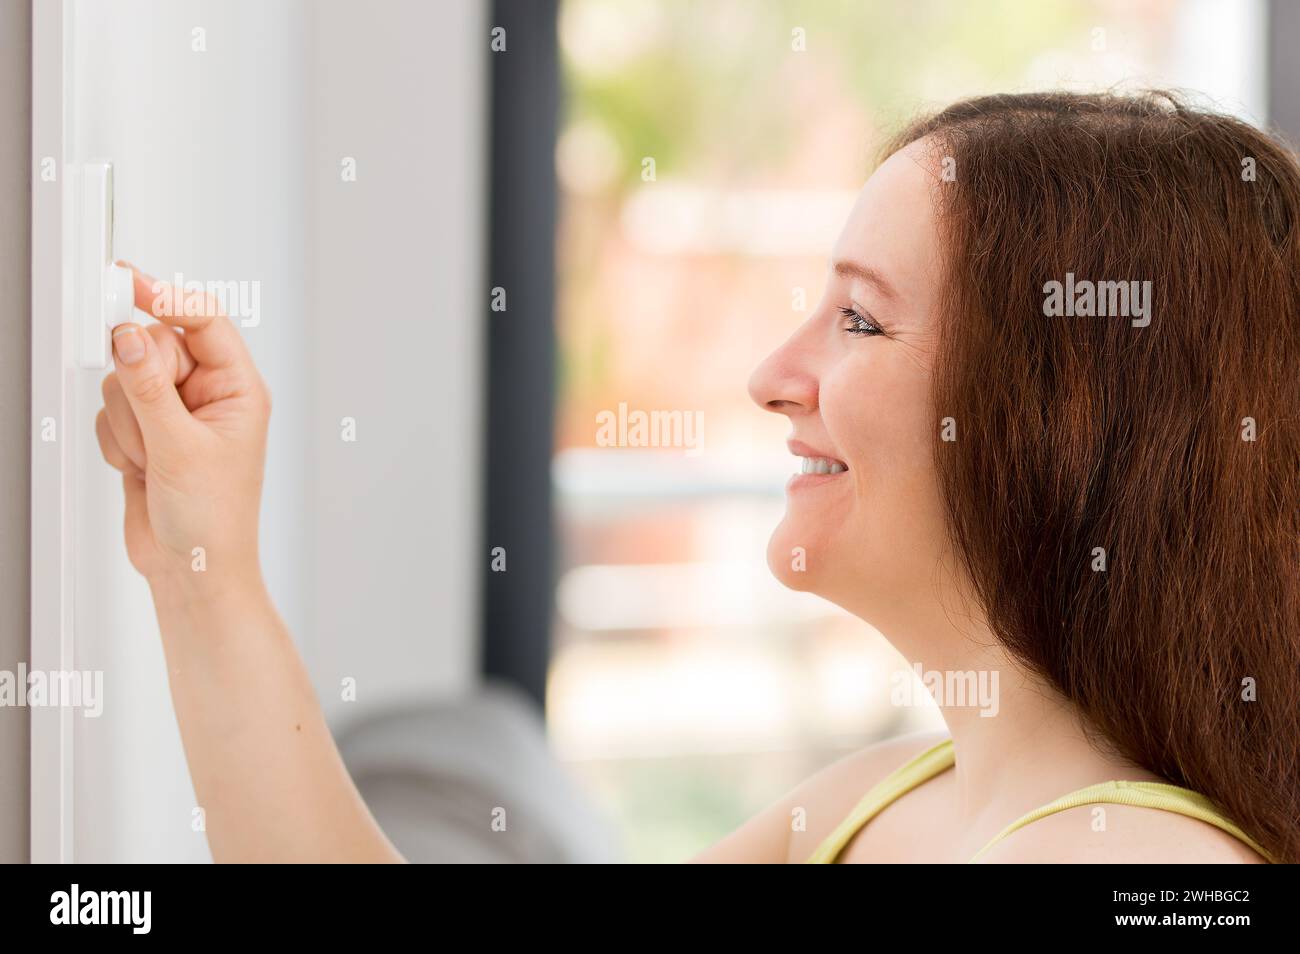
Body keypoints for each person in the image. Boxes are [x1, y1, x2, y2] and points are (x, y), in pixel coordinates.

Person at [96, 91, 1298, 863]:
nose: (772, 377)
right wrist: (203, 564)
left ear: (1062, 417)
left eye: (860, 321)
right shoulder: (878, 805)